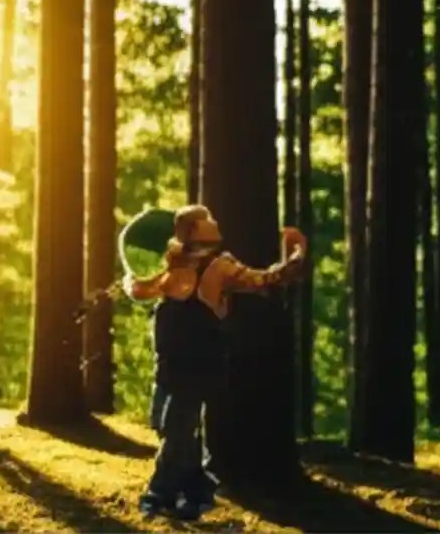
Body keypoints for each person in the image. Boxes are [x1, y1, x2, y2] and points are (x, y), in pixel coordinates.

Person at [125, 204, 307, 520]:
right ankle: (197, 489)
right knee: (164, 424)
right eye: (207, 219)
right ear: (193, 230)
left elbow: (263, 279)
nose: (215, 220)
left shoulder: (221, 267)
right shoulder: (172, 263)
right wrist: (131, 281)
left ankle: (159, 493)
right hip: (168, 363)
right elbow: (144, 290)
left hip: (200, 360)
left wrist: (293, 258)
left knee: (176, 427)